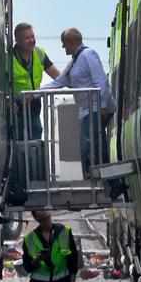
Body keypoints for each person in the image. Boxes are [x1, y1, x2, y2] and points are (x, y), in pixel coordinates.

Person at [45, 28, 115, 178]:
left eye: (64, 43)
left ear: (72, 42)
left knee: (87, 144)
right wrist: (36, 93)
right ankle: (103, 179)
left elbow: (101, 81)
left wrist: (103, 105)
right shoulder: (75, 60)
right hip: (88, 110)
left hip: (96, 108)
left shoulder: (89, 55)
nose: (63, 47)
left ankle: (98, 178)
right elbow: (60, 81)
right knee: (93, 144)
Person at [10, 22, 60, 139]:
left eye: (32, 37)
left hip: (34, 108)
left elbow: (57, 76)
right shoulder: (8, 57)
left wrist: (74, 81)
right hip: (15, 111)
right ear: (18, 41)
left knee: (36, 139)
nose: (32, 40)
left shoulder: (39, 53)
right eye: (27, 38)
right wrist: (8, 101)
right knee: (18, 141)